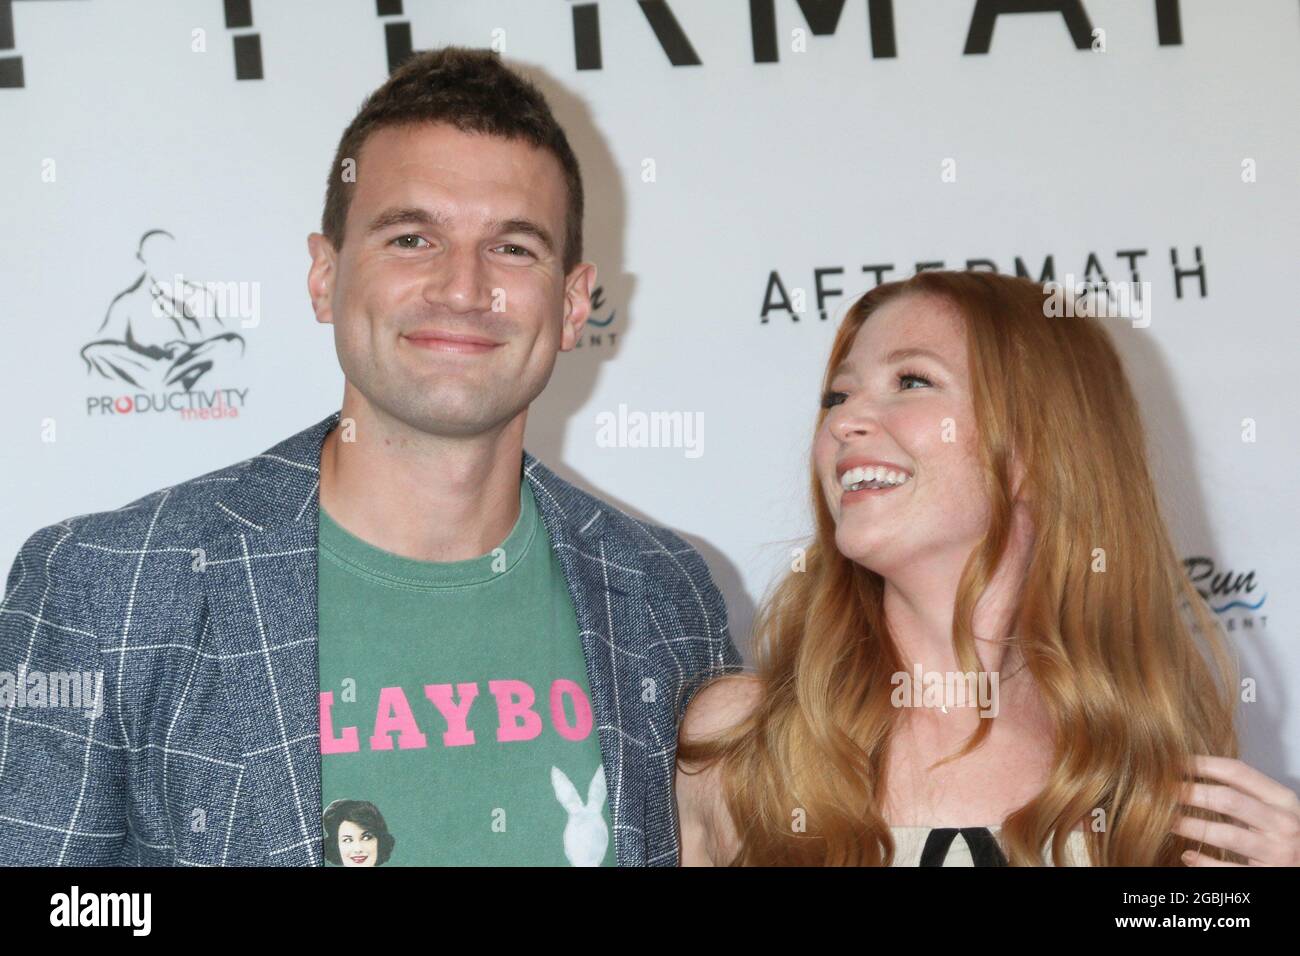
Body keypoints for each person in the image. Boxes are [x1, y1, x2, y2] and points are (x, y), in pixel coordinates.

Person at [0, 47, 740, 867]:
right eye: (413, 237)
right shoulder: (106, 594)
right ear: (325, 277)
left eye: (514, 249)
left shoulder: (665, 597)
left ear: (571, 305)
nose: (463, 288)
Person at [675, 270, 1300, 866]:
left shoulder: (1146, 769)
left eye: (912, 381)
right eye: (837, 395)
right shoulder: (741, 746)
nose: (842, 421)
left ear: (1039, 443)